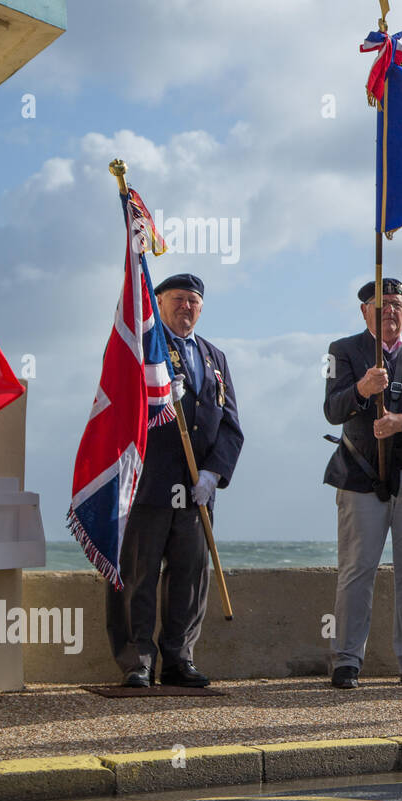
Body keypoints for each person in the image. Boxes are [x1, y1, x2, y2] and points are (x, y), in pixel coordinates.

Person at [108, 273, 244, 688]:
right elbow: (122, 408)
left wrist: (213, 472)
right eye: (179, 299)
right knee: (139, 575)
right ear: (159, 301)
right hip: (150, 484)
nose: (187, 307)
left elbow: (231, 426)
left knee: (189, 576)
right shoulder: (143, 349)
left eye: (194, 301)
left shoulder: (214, 357)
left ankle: (178, 658)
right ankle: (138, 661)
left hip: (196, 490)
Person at [323, 278, 402, 690]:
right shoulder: (342, 351)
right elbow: (332, 408)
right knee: (357, 570)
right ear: (365, 312)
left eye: (397, 304)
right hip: (360, 473)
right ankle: (347, 659)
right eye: (382, 305)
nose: (391, 312)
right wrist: (361, 389)